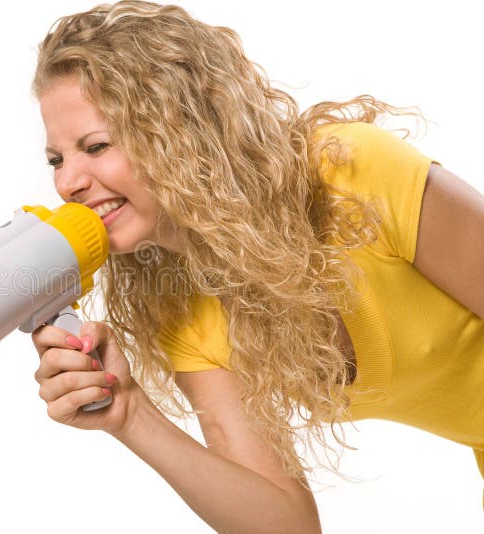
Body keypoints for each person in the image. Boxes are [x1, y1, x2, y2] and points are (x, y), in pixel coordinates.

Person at [28, 1, 484, 531]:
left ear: (181, 129)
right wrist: (130, 414)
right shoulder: (186, 312)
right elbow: (286, 524)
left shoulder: (351, 174)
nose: (66, 184)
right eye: (57, 159)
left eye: (96, 146)